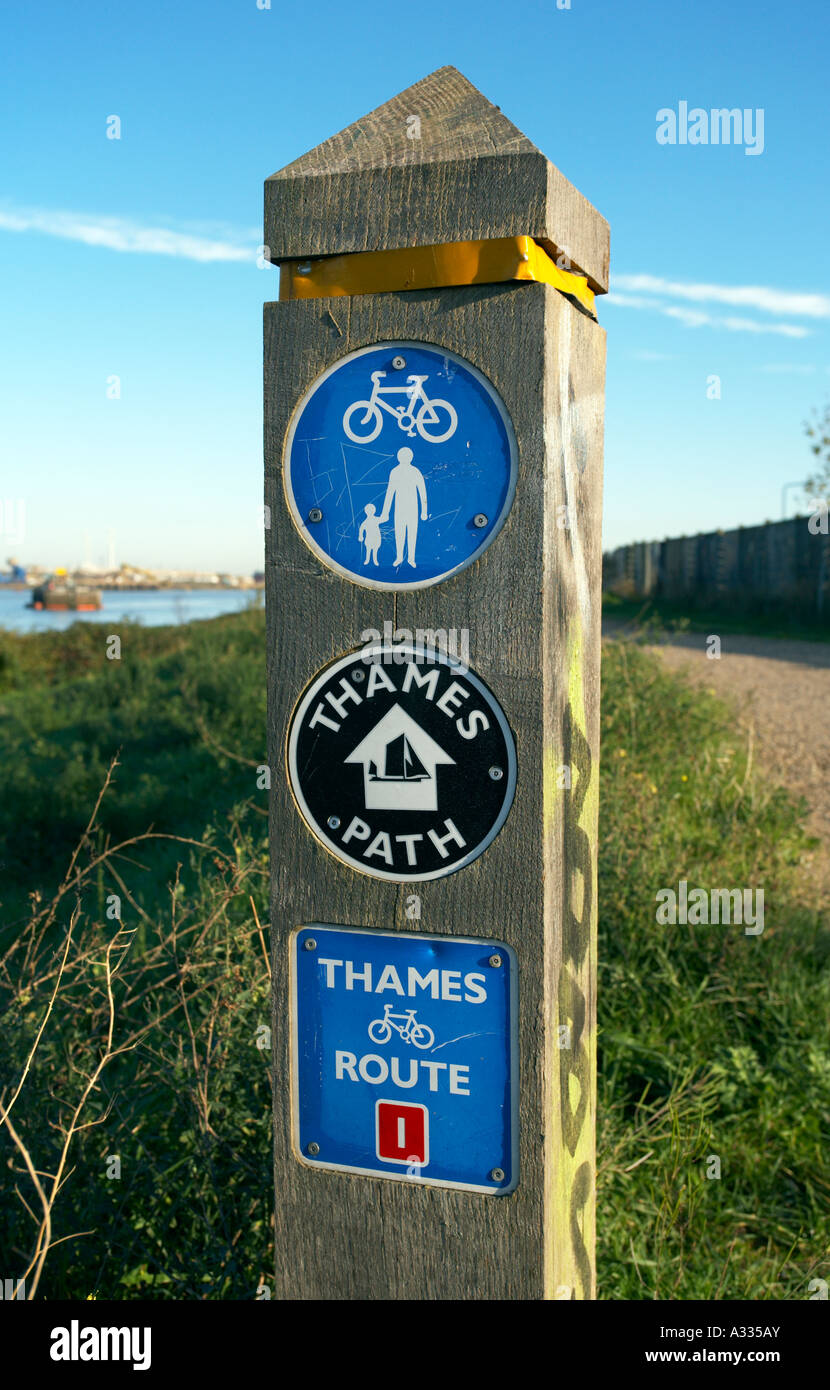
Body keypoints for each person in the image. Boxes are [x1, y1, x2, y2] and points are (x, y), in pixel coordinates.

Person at [378, 447, 428, 568]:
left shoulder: (415, 471)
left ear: (410, 457)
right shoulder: (394, 472)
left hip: (412, 508)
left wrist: (424, 511)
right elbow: (390, 493)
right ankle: (399, 557)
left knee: (412, 533)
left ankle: (411, 558)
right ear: (399, 457)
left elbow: (422, 492)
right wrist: (385, 513)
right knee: (399, 533)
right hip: (399, 508)